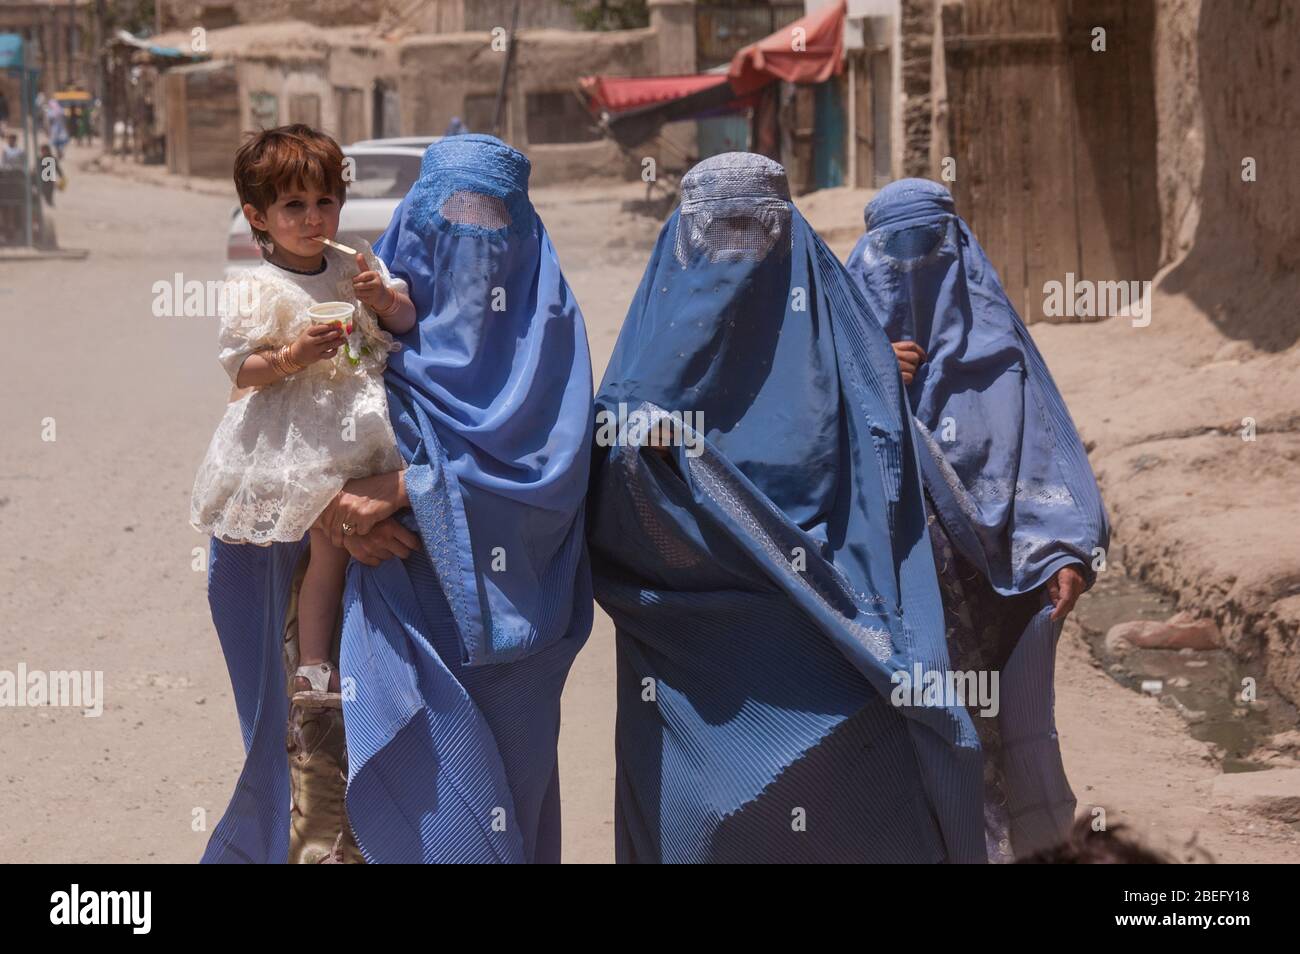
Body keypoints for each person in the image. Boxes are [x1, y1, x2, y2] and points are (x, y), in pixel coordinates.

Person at [200, 133, 595, 863]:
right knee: (333, 809)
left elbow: (555, 478)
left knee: (485, 817)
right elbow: (279, 432)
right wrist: (331, 513)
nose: (468, 246)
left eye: (491, 223)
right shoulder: (366, 307)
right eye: (451, 221)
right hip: (359, 613)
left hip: (506, 639)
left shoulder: (547, 338)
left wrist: (410, 487)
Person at [587, 152, 987, 863]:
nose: (738, 250)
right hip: (695, 659)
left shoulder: (842, 341)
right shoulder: (654, 351)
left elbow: (884, 497)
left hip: (836, 644)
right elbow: (608, 499)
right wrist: (637, 450)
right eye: (721, 229)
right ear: (688, 233)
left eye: (756, 228)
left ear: (788, 228)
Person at [845, 178, 1110, 860]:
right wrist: (868, 380)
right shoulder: (846, 362)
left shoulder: (1002, 360)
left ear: (958, 250)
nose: (911, 275)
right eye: (892, 253)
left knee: (1002, 752)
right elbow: (817, 469)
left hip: (998, 601)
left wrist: (1066, 554)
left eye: (927, 249)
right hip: (897, 606)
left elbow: (1050, 463)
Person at [191, 124, 416, 703]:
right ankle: (313, 666)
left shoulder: (354, 264)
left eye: (325, 202)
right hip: (299, 436)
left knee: (347, 545)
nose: (314, 218)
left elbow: (406, 321)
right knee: (327, 550)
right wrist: (293, 356)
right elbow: (241, 368)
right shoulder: (258, 288)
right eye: (294, 206)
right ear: (257, 216)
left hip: (360, 429)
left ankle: (354, 666)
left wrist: (384, 299)